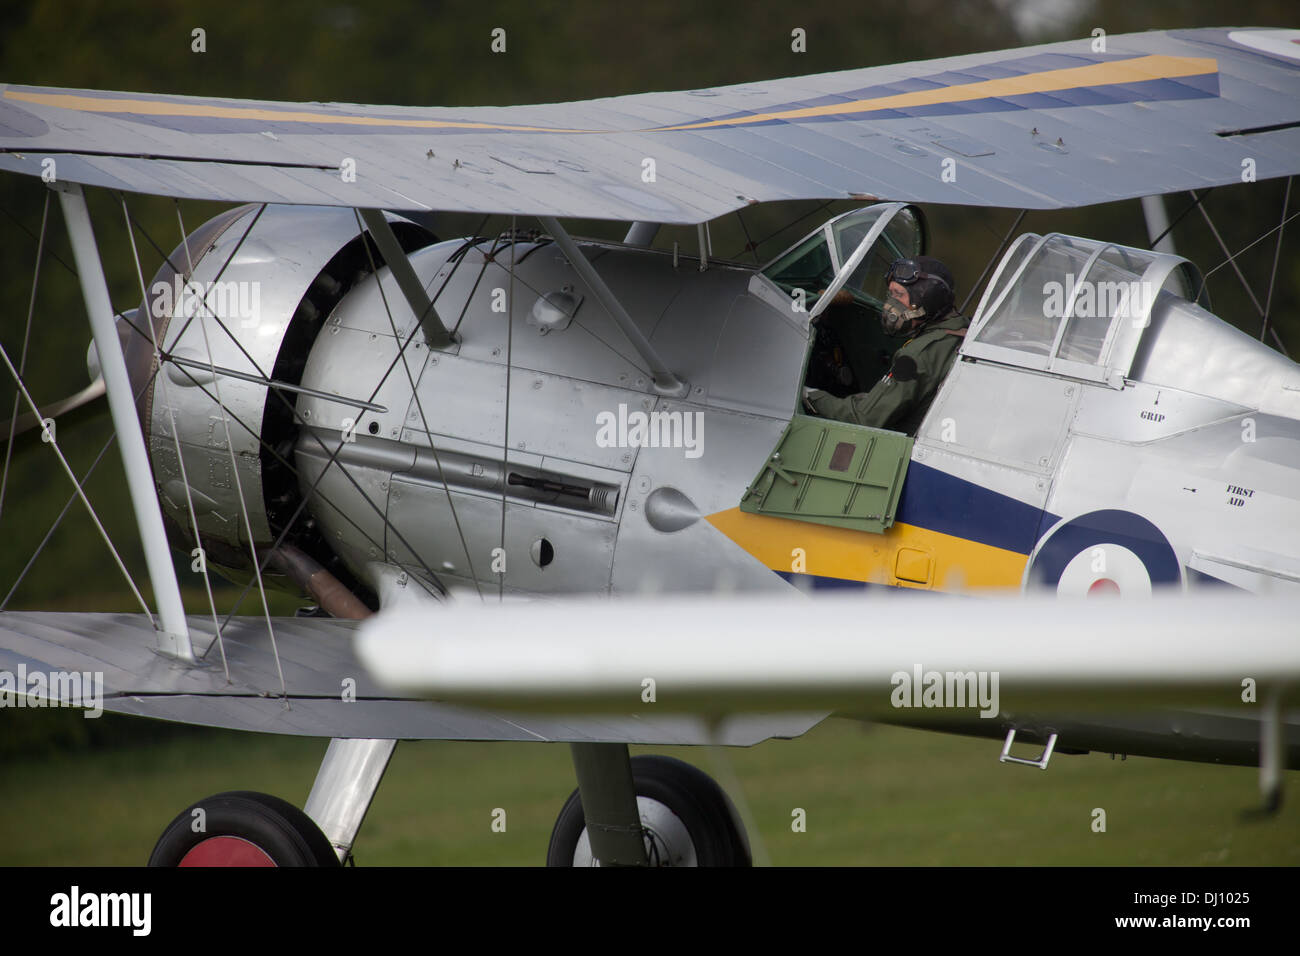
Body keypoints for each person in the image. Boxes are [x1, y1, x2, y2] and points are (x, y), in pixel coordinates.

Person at [803, 256, 967, 434]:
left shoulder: (916, 355)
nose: (890, 305)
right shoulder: (962, 329)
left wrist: (811, 397)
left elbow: (864, 418)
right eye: (891, 294)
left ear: (929, 299)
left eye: (899, 295)